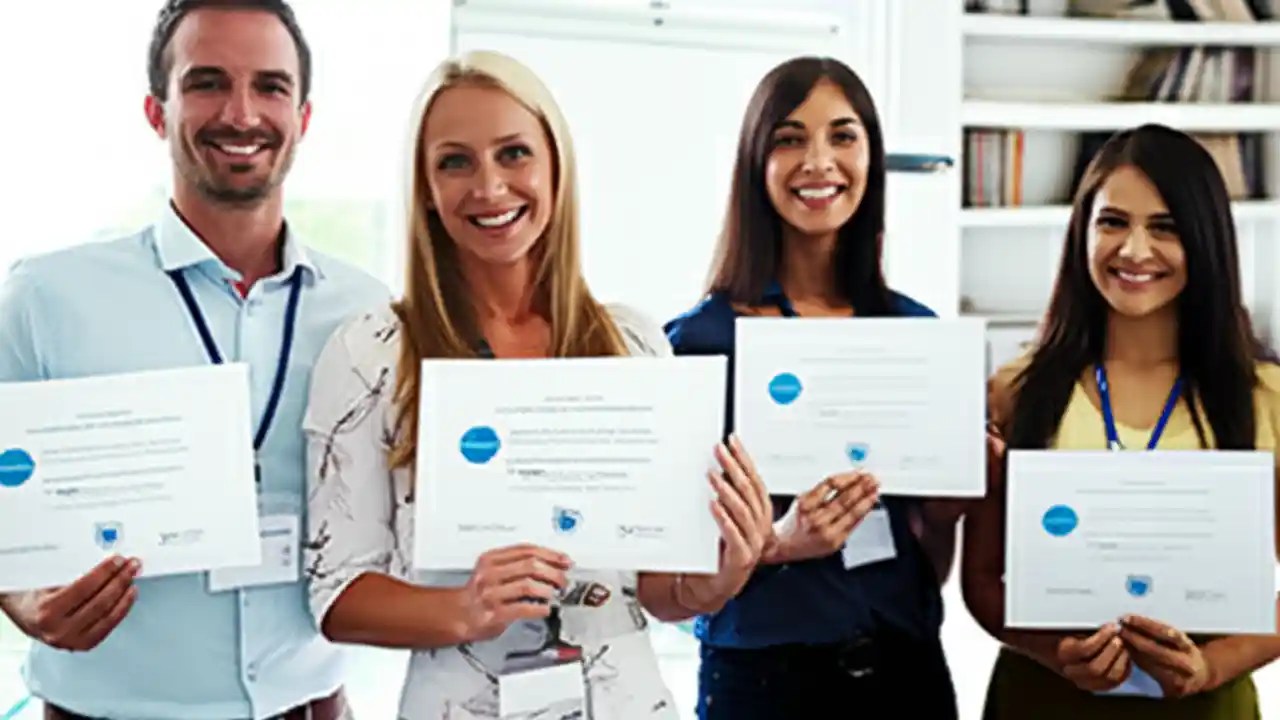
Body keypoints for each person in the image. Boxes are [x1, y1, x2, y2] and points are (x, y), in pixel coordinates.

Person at [300, 49, 774, 720]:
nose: (489, 187)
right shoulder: (371, 352)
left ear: (557, 166)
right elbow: (335, 596)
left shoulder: (634, 345)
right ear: (425, 190)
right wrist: (464, 610)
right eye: (454, 162)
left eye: (514, 154)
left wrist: (719, 575)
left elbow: (660, 592)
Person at [0, 1, 389, 718]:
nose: (241, 114)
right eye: (208, 82)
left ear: (303, 117)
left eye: (270, 86)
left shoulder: (369, 313)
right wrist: (17, 595)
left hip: (310, 706)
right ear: (157, 110)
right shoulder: (48, 295)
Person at [663, 55, 963, 719]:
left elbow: (925, 551)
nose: (819, 161)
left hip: (903, 668)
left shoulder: (918, 334)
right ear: (755, 163)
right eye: (790, 138)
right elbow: (668, 579)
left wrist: (948, 505)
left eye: (843, 136)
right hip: (764, 680)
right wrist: (778, 543)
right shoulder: (698, 342)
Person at [963, 123, 1280, 719]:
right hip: (1044, 700)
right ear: (1082, 230)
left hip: (1207, 704)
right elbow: (981, 581)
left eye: (1165, 227)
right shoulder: (1015, 390)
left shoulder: (1266, 398)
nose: (1134, 250)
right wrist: (1055, 653)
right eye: (1113, 222)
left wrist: (1213, 665)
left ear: (1206, 240)